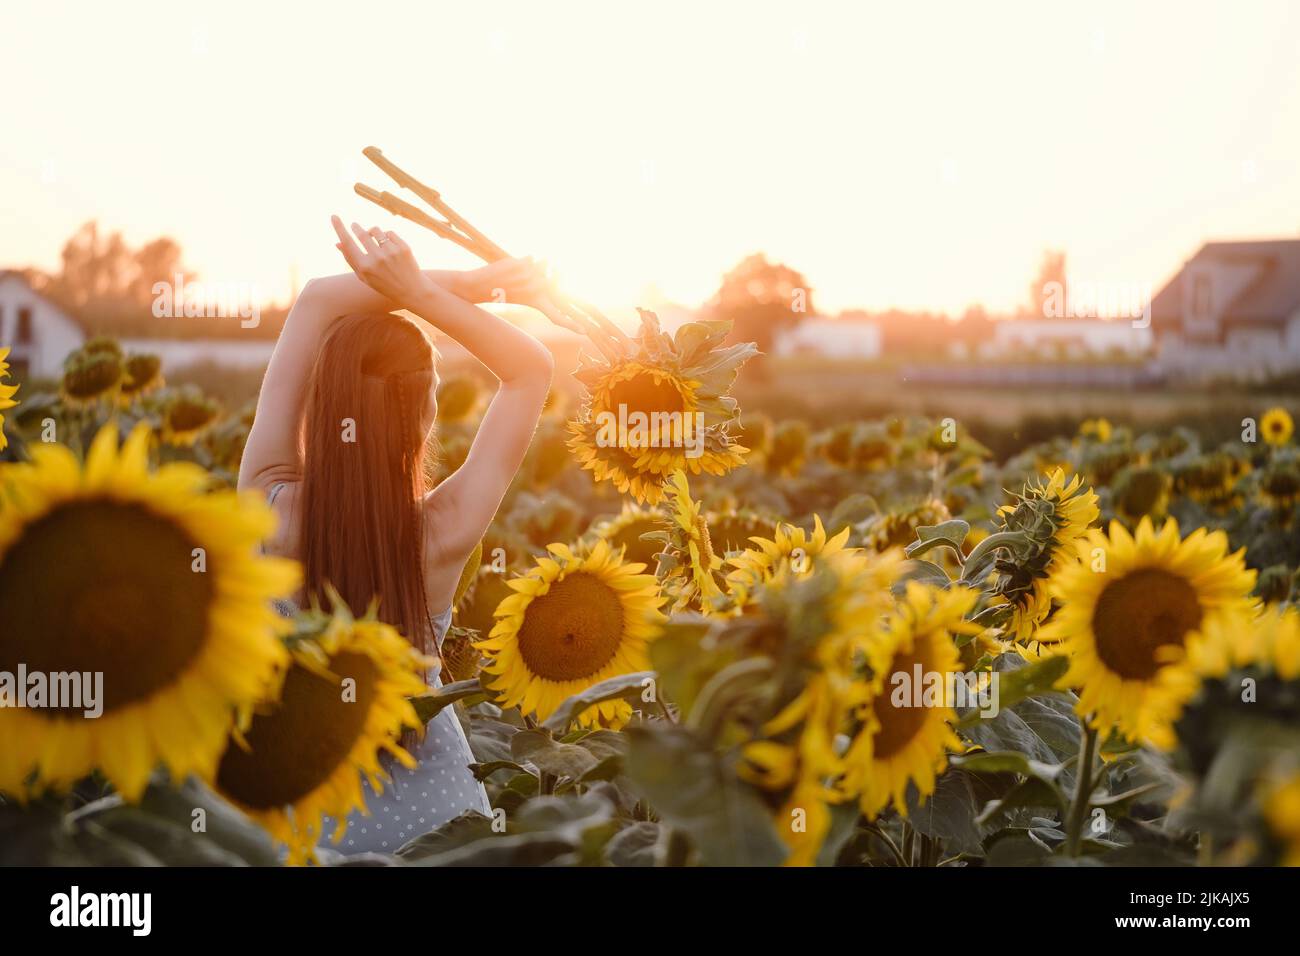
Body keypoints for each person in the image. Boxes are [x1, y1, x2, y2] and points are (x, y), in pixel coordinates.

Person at [238, 216, 559, 853]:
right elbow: (530, 370)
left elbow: (317, 300)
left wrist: (461, 281)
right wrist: (434, 294)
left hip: (297, 817)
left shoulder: (268, 502)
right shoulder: (444, 530)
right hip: (439, 822)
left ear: (321, 403)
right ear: (427, 412)